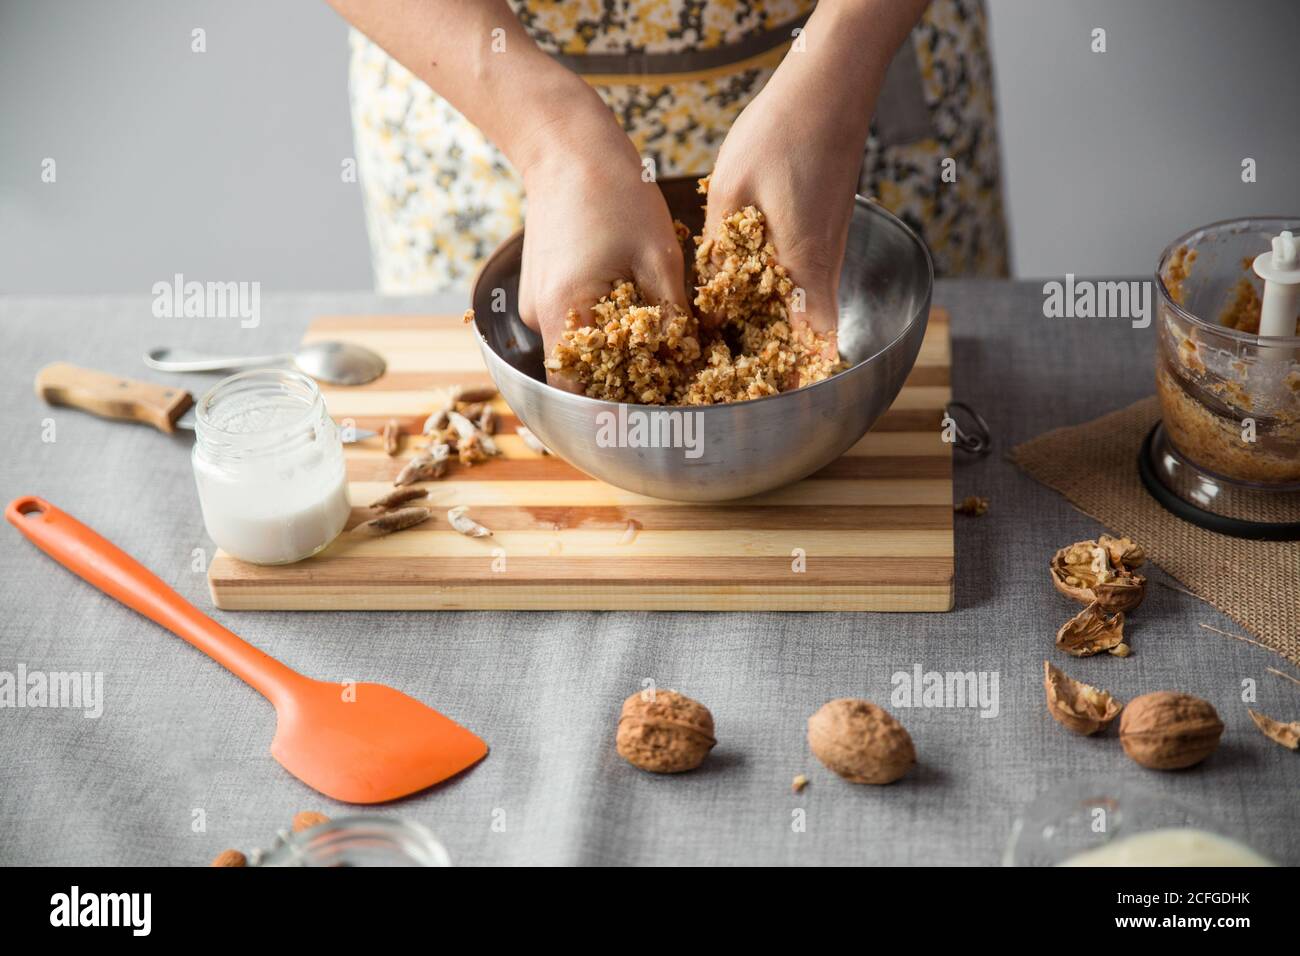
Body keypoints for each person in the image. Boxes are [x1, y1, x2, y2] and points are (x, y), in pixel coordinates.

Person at [330, 0, 1007, 358]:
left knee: (952, 367)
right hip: (474, 78)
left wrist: (846, 54)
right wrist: (548, 139)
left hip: (849, 62)